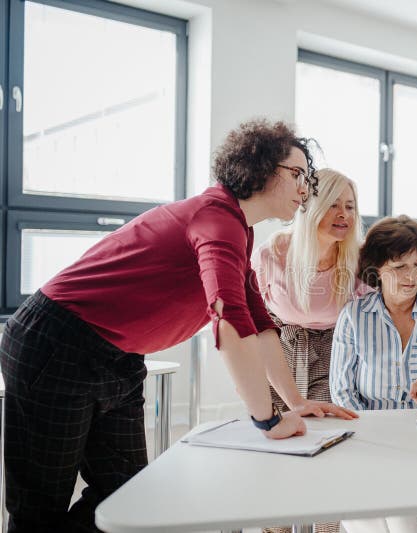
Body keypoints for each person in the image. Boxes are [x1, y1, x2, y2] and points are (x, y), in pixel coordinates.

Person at [0, 119, 356, 533]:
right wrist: (268, 420)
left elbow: (259, 323)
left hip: (118, 355)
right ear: (260, 169)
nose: (304, 190)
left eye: (307, 179)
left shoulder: (240, 232)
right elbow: (229, 322)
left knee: (128, 500)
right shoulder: (215, 218)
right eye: (297, 175)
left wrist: (294, 402)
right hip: (56, 342)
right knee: (39, 508)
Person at [330, 215, 417, 533]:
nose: (412, 277)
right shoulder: (355, 315)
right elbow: (342, 389)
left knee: (411, 525)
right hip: (364, 440)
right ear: (377, 269)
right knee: (364, 520)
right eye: (399, 267)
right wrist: (368, 435)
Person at [255, 169, 371, 533]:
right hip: (281, 350)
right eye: (334, 204)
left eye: (350, 206)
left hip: (333, 352)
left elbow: (367, 318)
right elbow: (256, 315)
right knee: (279, 456)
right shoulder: (274, 252)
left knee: (327, 454)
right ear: (310, 205)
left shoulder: (357, 259)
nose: (344, 215)